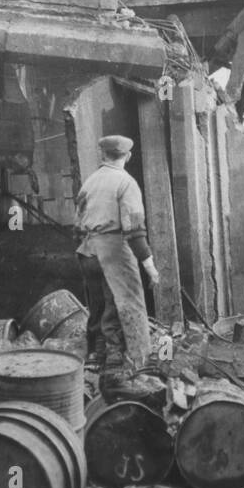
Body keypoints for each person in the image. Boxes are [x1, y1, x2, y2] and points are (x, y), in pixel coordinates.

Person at [75, 135, 160, 396]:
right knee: (129, 305)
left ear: (103, 156)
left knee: (99, 305)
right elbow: (134, 230)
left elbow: (76, 224)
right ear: (128, 156)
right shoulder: (126, 183)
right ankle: (132, 368)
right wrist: (149, 265)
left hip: (87, 251)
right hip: (113, 250)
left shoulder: (89, 183)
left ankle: (96, 360)